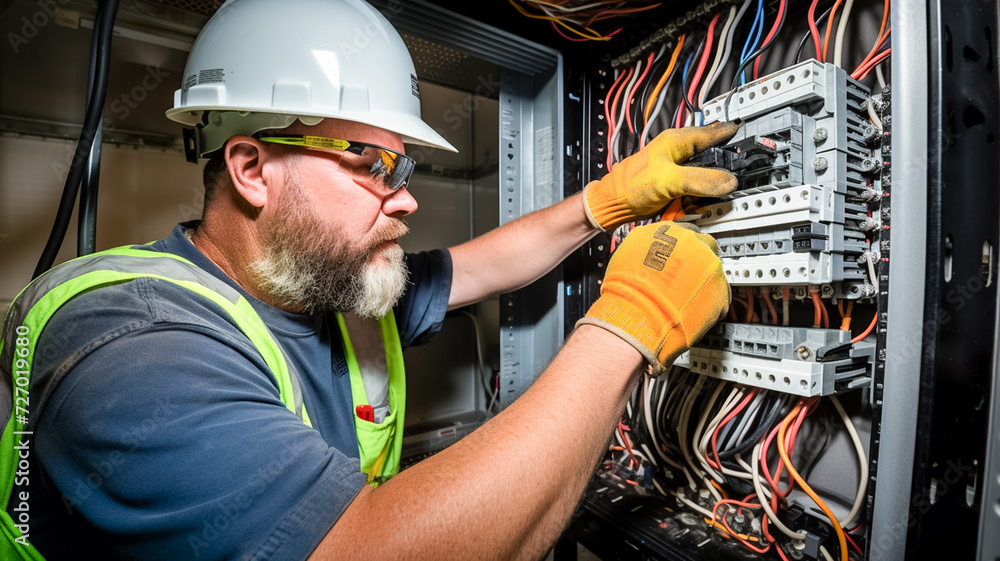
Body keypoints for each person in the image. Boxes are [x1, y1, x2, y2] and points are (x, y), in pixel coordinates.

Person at [0, 0, 740, 559]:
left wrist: (604, 201)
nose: (409, 196)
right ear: (252, 168)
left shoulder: (329, 284)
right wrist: (627, 326)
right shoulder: (131, 349)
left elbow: (481, 264)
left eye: (404, 166)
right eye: (373, 164)